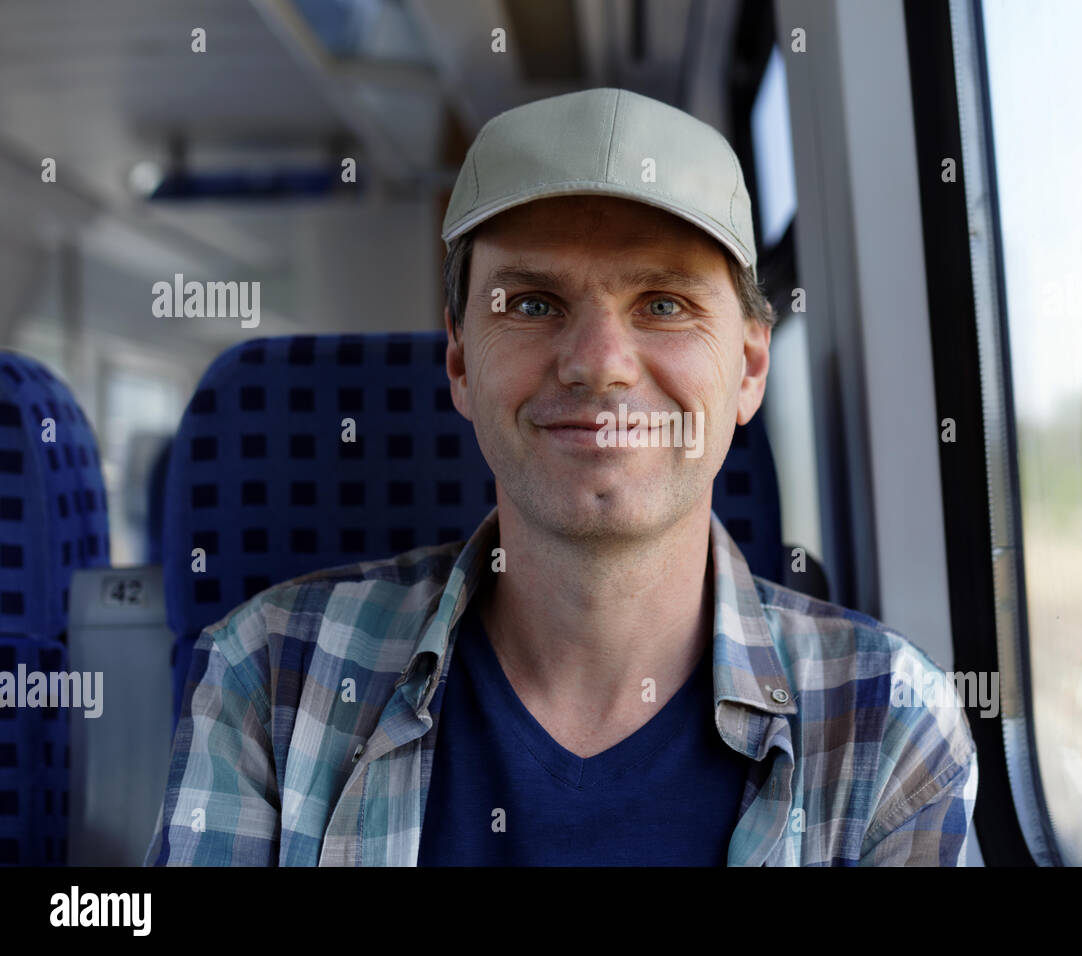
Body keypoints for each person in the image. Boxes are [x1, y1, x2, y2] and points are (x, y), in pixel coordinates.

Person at [146, 87, 977, 866]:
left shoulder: (887, 723)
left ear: (751, 367)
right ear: (462, 361)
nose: (599, 365)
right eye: (534, 304)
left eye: (663, 303)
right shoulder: (270, 679)